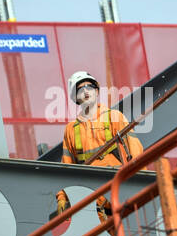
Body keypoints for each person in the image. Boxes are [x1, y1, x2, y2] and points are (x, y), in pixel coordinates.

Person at [55, 71, 143, 223]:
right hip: (93, 197)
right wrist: (63, 196)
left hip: (119, 188)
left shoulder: (114, 117)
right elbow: (67, 167)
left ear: (96, 91)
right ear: (76, 98)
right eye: (80, 89)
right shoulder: (71, 129)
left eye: (89, 87)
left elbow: (135, 150)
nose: (86, 91)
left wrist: (139, 183)